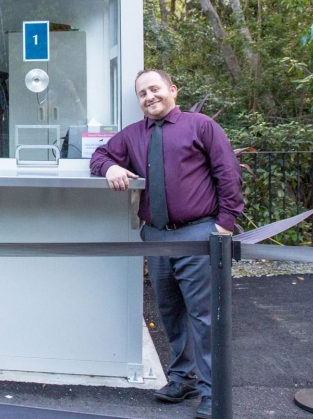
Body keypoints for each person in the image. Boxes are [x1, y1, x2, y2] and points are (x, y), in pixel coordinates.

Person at [90, 69, 244, 419]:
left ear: (172, 90)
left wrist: (224, 225)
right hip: (156, 236)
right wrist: (110, 169)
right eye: (142, 93)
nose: (149, 97)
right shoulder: (131, 136)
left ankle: (211, 392)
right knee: (170, 312)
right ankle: (182, 378)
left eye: (155, 89)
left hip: (198, 234)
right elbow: (98, 156)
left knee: (204, 316)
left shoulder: (201, 126)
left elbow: (228, 174)